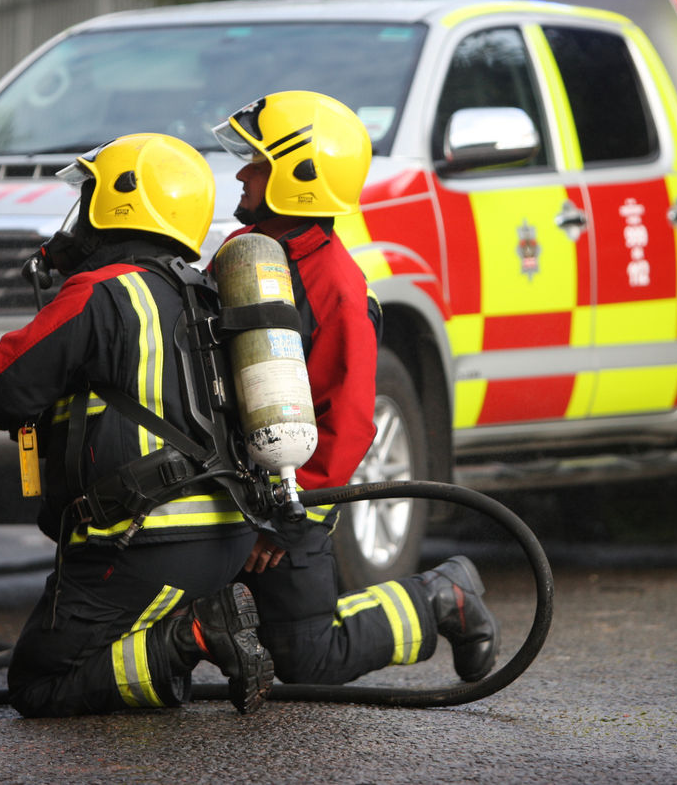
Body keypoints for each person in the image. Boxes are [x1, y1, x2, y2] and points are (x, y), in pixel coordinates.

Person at [0, 132, 273, 717]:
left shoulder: (99, 292)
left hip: (143, 542)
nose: (78, 221)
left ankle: (195, 635)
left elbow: (6, 387)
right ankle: (189, 634)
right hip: (227, 537)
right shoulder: (205, 293)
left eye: (91, 198)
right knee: (115, 670)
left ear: (120, 204)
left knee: (40, 682)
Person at [211, 90, 501, 686]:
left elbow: (349, 421)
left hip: (287, 504)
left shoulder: (337, 288)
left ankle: (442, 597)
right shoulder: (244, 257)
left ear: (301, 176)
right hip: (236, 491)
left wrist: (289, 524)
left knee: (307, 656)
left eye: (257, 163)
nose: (240, 172)